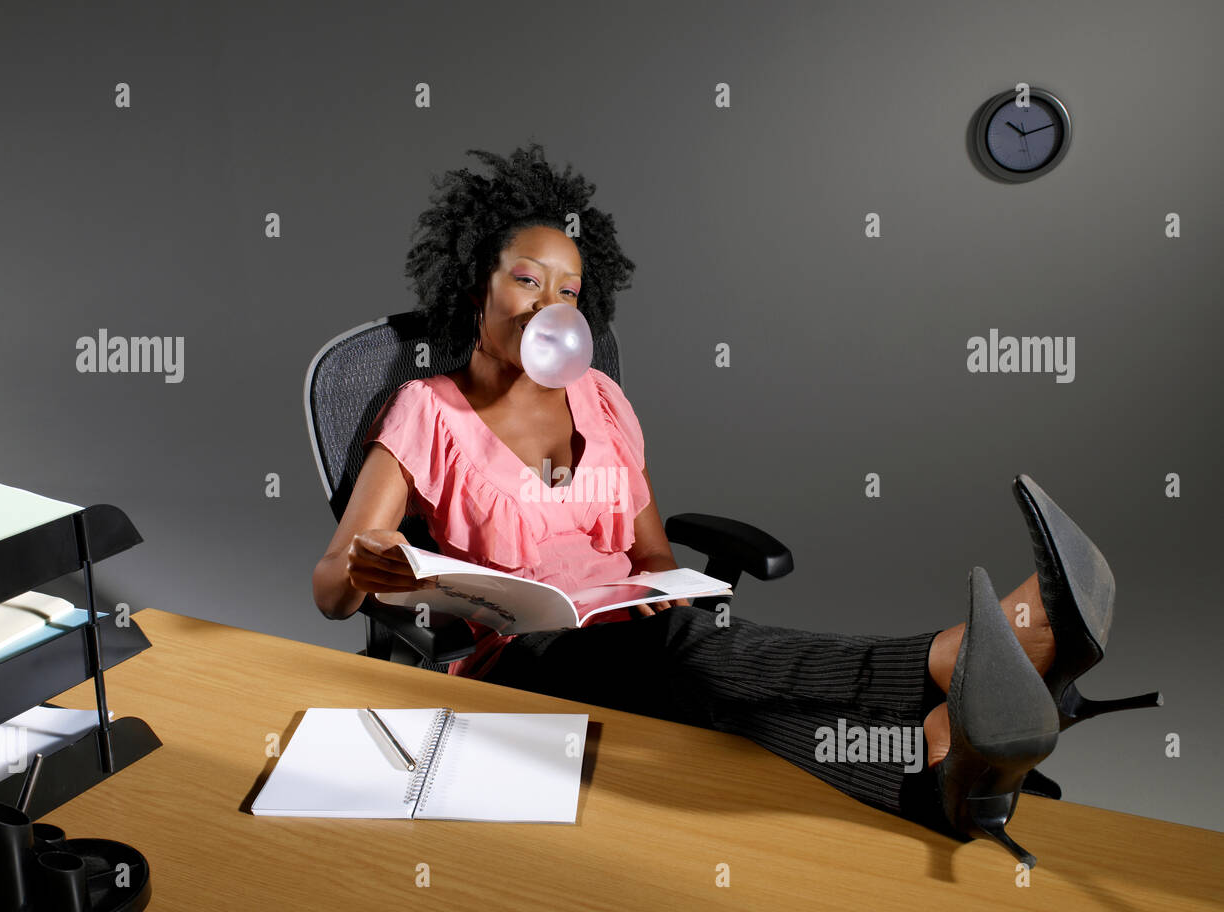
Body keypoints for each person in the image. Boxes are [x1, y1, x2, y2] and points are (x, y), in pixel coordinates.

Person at [312, 143, 1162, 865]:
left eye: (569, 290)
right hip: (520, 658)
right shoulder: (429, 410)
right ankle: (950, 658)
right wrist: (369, 565)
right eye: (528, 279)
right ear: (476, 288)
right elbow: (329, 590)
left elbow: (650, 556)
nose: (550, 305)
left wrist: (662, 588)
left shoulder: (599, 397)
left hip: (638, 631)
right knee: (685, 652)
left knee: (699, 673)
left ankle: (937, 770)